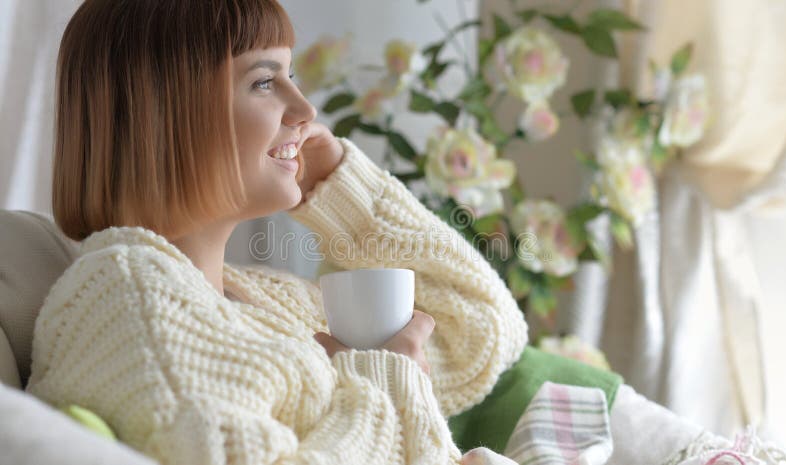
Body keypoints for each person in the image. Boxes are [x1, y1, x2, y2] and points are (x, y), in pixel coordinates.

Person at [25, 1, 531, 464]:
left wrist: (340, 189)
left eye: (290, 76)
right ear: (166, 111)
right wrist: (386, 382)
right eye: (265, 82)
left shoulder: (264, 298)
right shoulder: (131, 297)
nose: (305, 109)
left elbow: (480, 335)